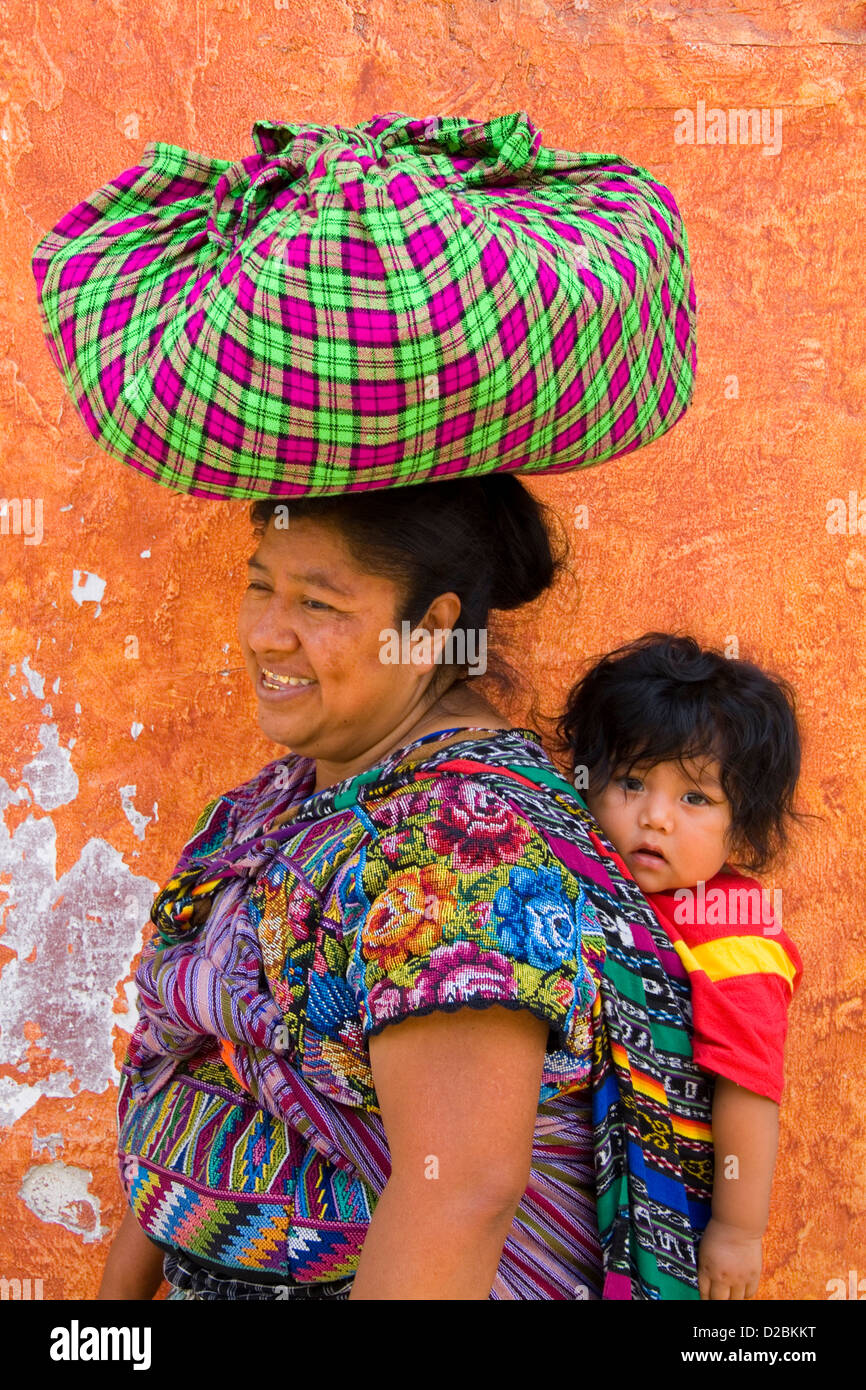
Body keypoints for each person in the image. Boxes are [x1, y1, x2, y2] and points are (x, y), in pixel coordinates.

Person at [98, 478, 714, 1302]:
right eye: (259, 586)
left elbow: (455, 1192)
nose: (265, 634)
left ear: (430, 631)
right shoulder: (280, 801)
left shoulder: (462, 848)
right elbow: (197, 1066)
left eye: (318, 605)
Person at [557, 632, 806, 1300]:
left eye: (695, 798)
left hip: (674, 1210)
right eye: (632, 782)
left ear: (742, 821)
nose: (654, 817)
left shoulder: (731, 931)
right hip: (571, 1196)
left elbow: (749, 1086)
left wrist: (736, 1231)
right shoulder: (584, 889)